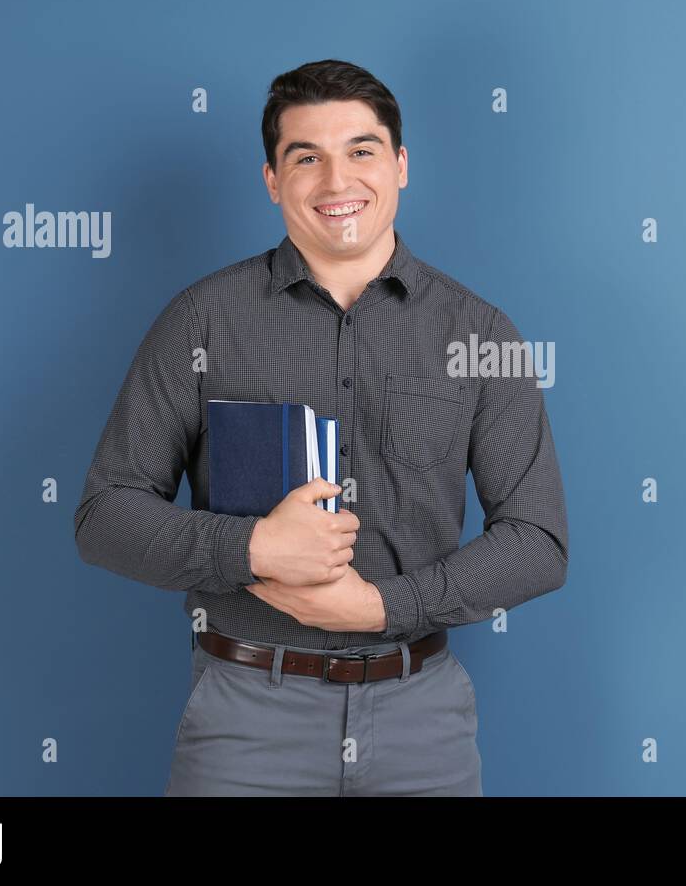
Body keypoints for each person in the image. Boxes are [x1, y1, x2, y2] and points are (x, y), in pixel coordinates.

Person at [73, 59, 569, 795]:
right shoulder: (200, 322)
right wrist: (251, 548)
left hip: (421, 722)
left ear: (401, 165)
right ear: (273, 180)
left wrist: (380, 607)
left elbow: (538, 543)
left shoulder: (481, 332)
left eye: (361, 151)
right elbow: (104, 515)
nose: (337, 183)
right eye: (306, 157)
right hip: (245, 718)